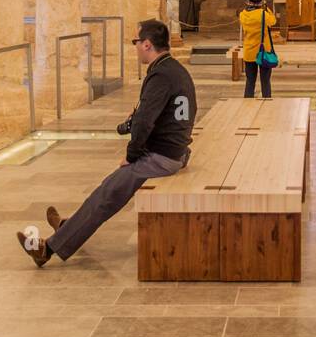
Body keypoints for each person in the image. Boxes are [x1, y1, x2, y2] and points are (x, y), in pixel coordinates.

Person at [17, 19, 196, 267]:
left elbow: (144, 123)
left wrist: (132, 156)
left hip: (164, 155)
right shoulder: (174, 69)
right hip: (176, 149)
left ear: (147, 44)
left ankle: (47, 249)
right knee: (108, 188)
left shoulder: (159, 75)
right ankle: (67, 228)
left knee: (108, 193)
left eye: (136, 42)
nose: (134, 47)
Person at [238, 0, 278, 98]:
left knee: (250, 81)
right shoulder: (264, 14)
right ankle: (266, 101)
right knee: (265, 81)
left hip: (249, 51)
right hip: (263, 51)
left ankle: (247, 102)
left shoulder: (242, 15)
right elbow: (273, 21)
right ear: (261, 2)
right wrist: (266, 8)